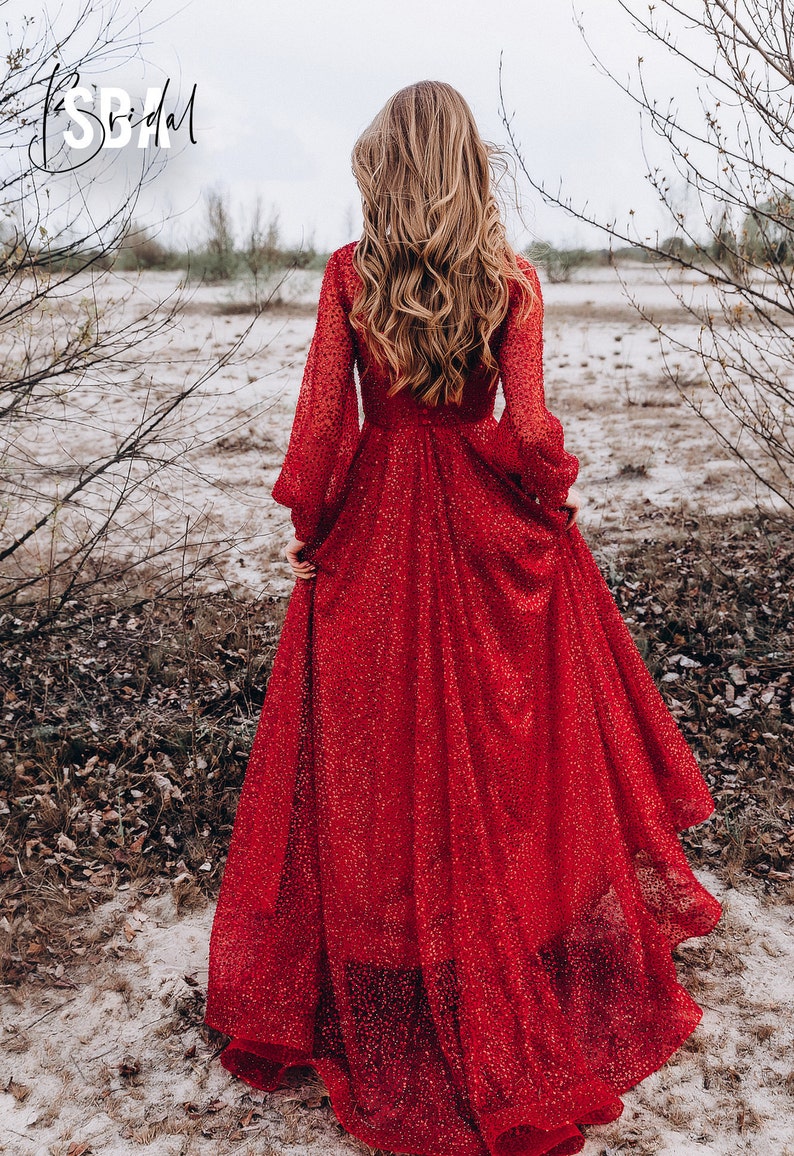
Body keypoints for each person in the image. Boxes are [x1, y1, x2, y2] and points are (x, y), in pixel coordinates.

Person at [204, 80, 722, 1156]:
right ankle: (499, 930)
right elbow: (528, 425)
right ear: (468, 170)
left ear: (385, 170)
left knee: (380, 745)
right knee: (497, 743)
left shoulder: (349, 275)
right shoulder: (510, 279)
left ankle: (399, 946)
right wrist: (550, 496)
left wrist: (311, 523)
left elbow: (320, 427)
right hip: (483, 531)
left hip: (379, 529)